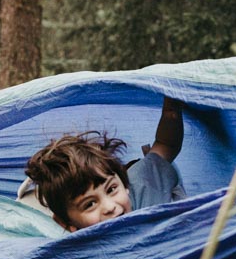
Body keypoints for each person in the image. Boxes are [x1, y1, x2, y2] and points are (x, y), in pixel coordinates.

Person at [19, 96, 186, 231]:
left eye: (111, 189)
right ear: (65, 223)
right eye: (90, 204)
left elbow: (166, 145)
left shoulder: (143, 186)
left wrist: (171, 106)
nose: (109, 207)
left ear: (124, 184)